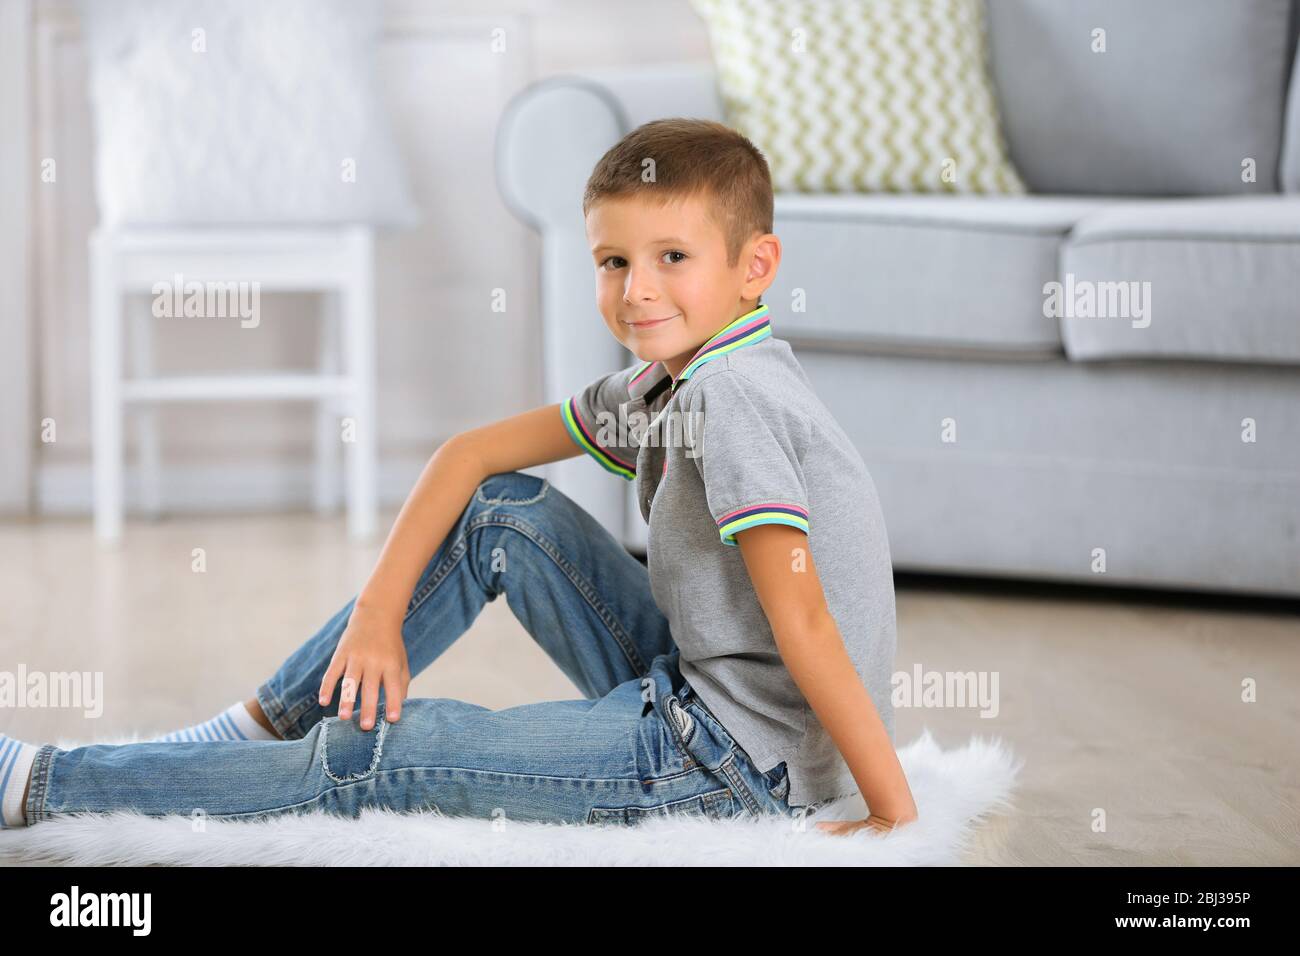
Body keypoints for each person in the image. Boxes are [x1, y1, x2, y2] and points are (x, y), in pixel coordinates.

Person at [2, 118, 917, 836]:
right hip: (710, 691)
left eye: (672, 258)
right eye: (613, 261)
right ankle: (256, 728)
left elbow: (803, 616)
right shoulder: (670, 380)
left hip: (734, 764)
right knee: (501, 513)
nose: (637, 289)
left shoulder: (735, 398)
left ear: (754, 267)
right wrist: (375, 617)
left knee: (377, 755)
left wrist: (890, 812)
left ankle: (43, 785)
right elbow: (471, 458)